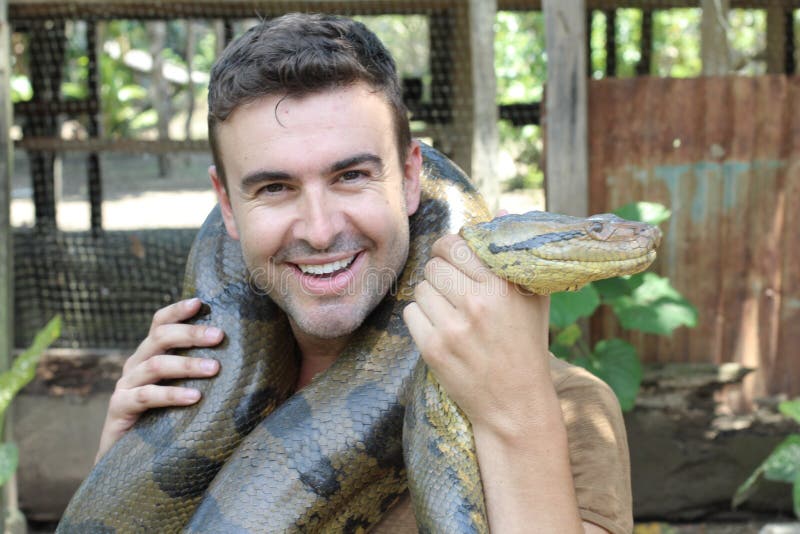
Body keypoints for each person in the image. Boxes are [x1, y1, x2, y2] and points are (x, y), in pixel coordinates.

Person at [96, 13, 632, 533]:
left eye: (351, 175)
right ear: (228, 206)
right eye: (274, 188)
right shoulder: (184, 402)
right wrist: (125, 469)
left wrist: (515, 416)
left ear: (409, 177)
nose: (321, 230)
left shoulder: (566, 411)